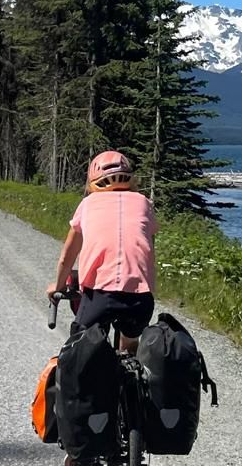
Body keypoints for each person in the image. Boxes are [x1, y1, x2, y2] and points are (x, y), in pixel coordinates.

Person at [47, 149, 158, 353]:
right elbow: (149, 249)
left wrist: (59, 286)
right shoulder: (144, 203)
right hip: (140, 297)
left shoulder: (87, 204)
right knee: (130, 344)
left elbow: (66, 258)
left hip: (99, 295)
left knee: (84, 349)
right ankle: (130, 361)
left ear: (93, 180)